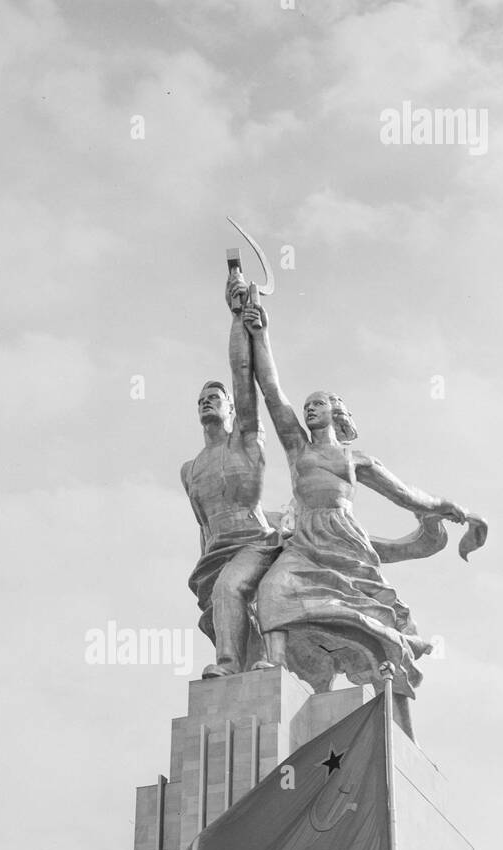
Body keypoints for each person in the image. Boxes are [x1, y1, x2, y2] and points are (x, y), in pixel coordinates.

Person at [242, 299, 470, 738]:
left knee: (372, 615)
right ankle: (273, 659)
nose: (308, 409)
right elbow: (271, 391)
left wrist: (441, 506)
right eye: (307, 405)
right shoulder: (297, 447)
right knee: (273, 588)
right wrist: (259, 333)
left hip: (344, 542)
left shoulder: (355, 459)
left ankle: (385, 674)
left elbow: (406, 495)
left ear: (335, 411)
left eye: (317, 404)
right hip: (306, 537)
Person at [180, 272, 280, 677]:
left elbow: (243, 374)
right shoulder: (190, 469)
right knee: (226, 597)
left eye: (215, 399)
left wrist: (237, 316)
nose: (207, 403)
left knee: (229, 589)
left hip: (255, 541)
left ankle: (227, 665)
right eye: (202, 399)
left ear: (232, 409)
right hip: (215, 551)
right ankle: (255, 663)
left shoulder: (246, 441)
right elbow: (202, 526)